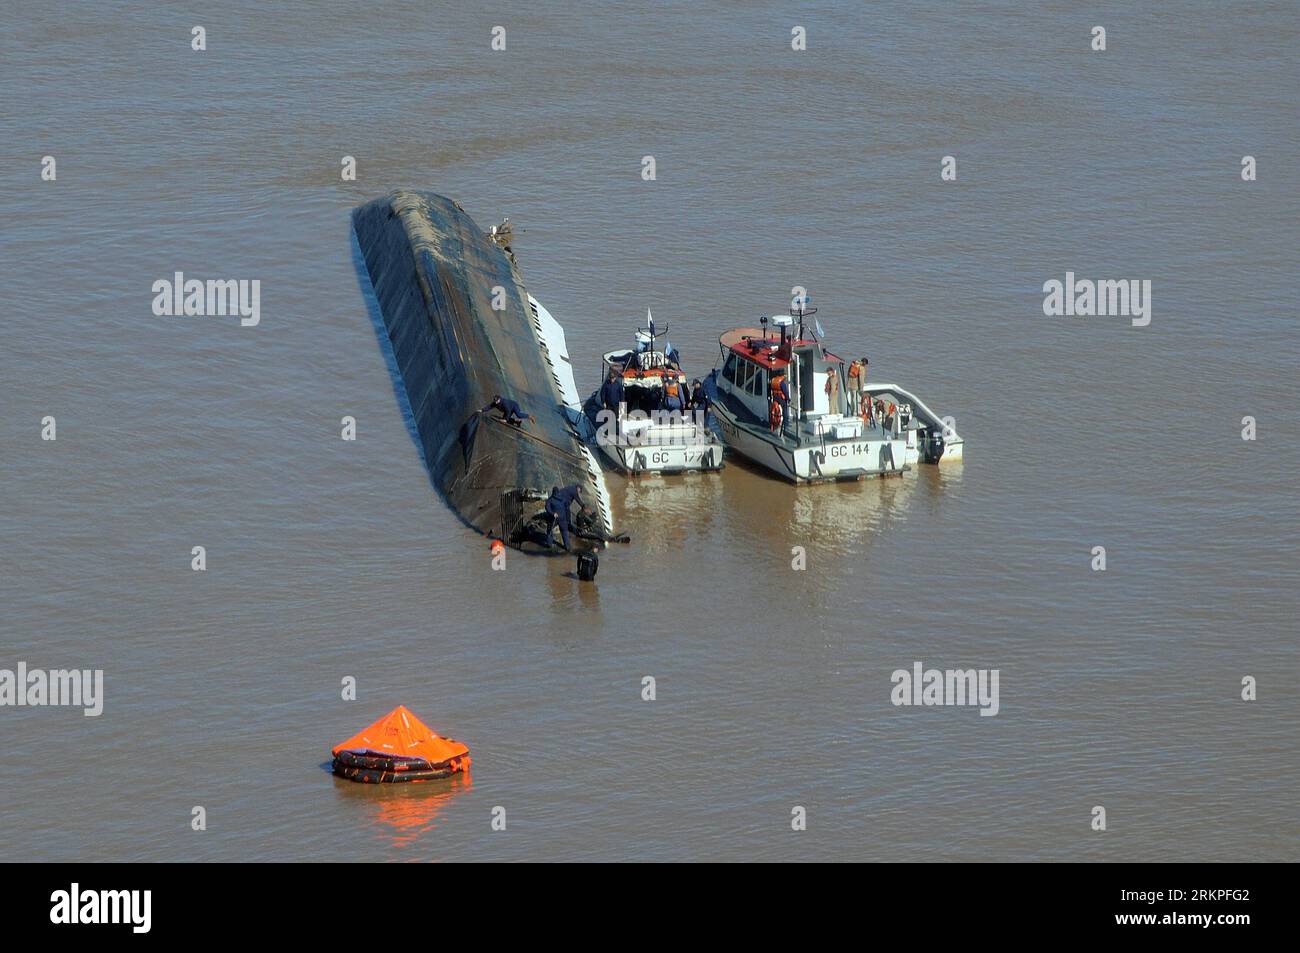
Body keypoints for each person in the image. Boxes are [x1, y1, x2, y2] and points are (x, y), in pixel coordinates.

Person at [544, 483, 585, 551]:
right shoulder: (563, 499)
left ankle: (549, 544)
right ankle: (567, 547)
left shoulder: (550, 500)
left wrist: (552, 513)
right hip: (563, 518)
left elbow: (547, 507)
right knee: (564, 531)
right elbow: (567, 508)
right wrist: (568, 520)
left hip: (554, 518)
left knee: (549, 530)